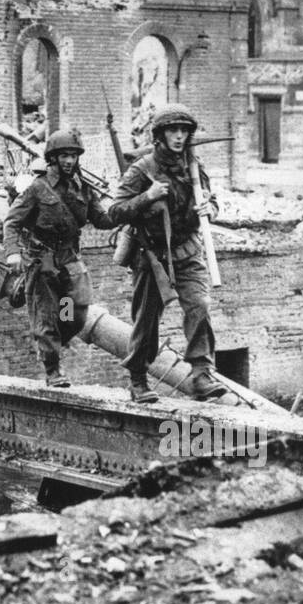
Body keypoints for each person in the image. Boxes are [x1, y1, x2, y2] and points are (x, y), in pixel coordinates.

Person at [109, 104, 227, 404]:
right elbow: (114, 211)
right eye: (173, 130)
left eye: (184, 131)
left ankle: (201, 374)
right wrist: (147, 197)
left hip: (188, 251)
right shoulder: (142, 170)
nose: (179, 136)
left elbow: (213, 201)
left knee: (199, 306)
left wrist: (209, 209)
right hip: (152, 255)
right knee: (147, 320)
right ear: (159, 136)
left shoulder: (194, 167)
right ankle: (137, 377)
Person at [2, 129, 115, 388]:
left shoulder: (83, 188)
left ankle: (55, 343)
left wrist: (125, 210)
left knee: (73, 314)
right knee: (46, 316)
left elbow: (102, 219)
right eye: (64, 155)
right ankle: (52, 370)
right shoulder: (37, 188)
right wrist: (13, 252)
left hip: (69, 263)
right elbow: (12, 222)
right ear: (53, 158)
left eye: (73, 156)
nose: (69, 161)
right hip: (43, 263)